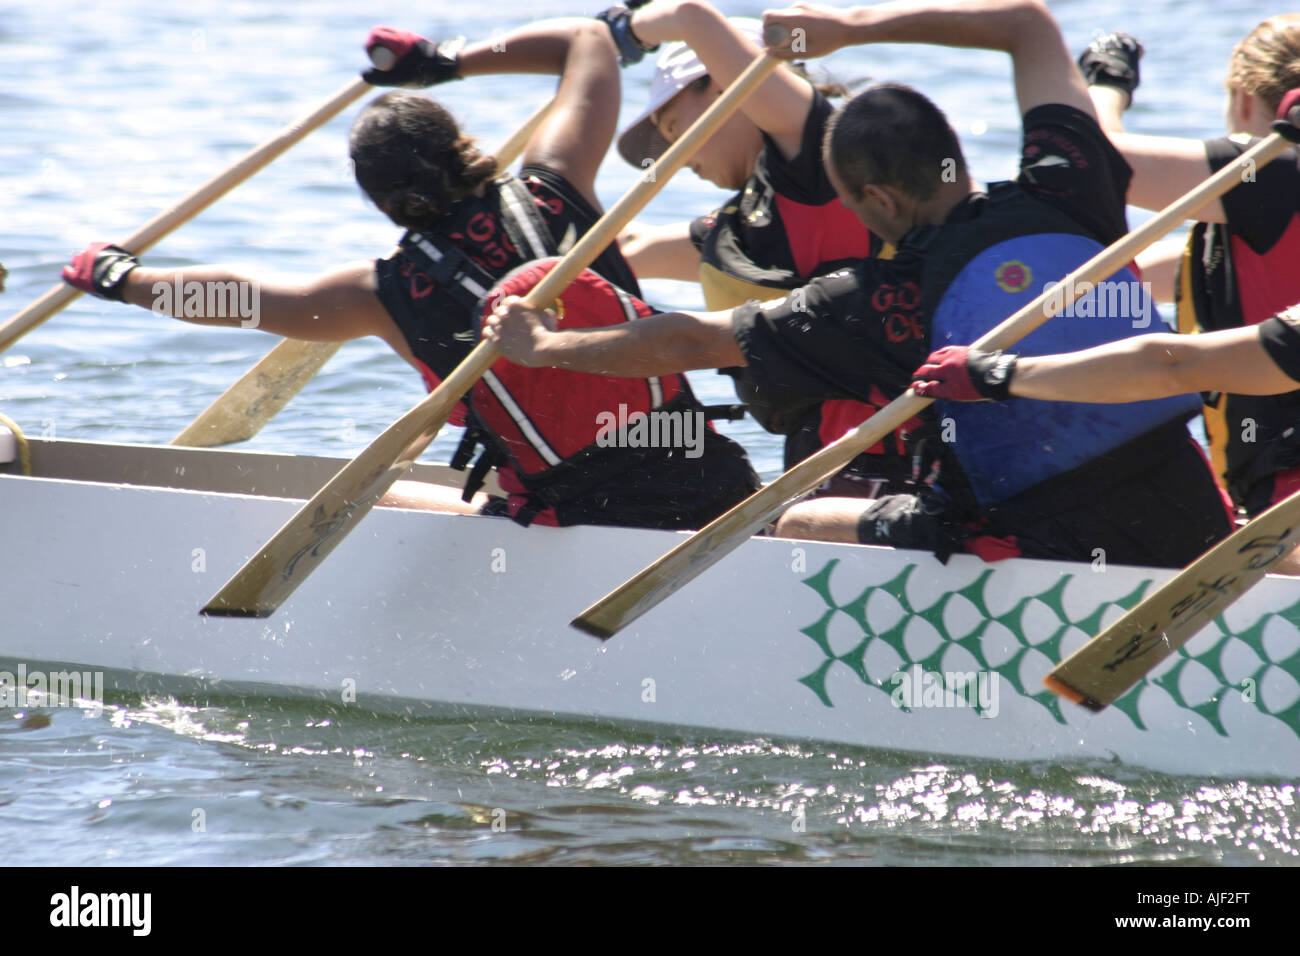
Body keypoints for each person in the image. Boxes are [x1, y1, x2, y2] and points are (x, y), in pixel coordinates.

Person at [484, 0, 1234, 569]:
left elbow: (685, 340)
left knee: (788, 523)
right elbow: (1028, 23)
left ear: (876, 200)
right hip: (1188, 506)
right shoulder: (1070, 183)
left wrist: (545, 344)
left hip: (1041, 548)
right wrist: (850, 28)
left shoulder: (877, 301)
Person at [60, 18, 758, 531]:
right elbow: (588, 42)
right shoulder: (557, 185)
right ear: (461, 146)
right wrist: (441, 60)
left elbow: (236, 300)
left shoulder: (381, 294)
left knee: (376, 493)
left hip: (577, 524)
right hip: (716, 480)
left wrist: (120, 277)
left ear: (377, 200)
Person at [605, 2, 901, 497]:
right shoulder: (746, 223)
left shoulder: (821, 163)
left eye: (676, 130)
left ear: (724, 87)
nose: (677, 161)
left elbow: (691, 14)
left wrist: (622, 34)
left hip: (884, 459)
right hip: (823, 458)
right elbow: (628, 250)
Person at [1078, 16, 1300, 517]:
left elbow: (1089, 160)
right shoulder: (1251, 230)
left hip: (1286, 505)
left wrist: (1106, 83)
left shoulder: (1270, 170)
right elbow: (1158, 278)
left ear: (1243, 98)